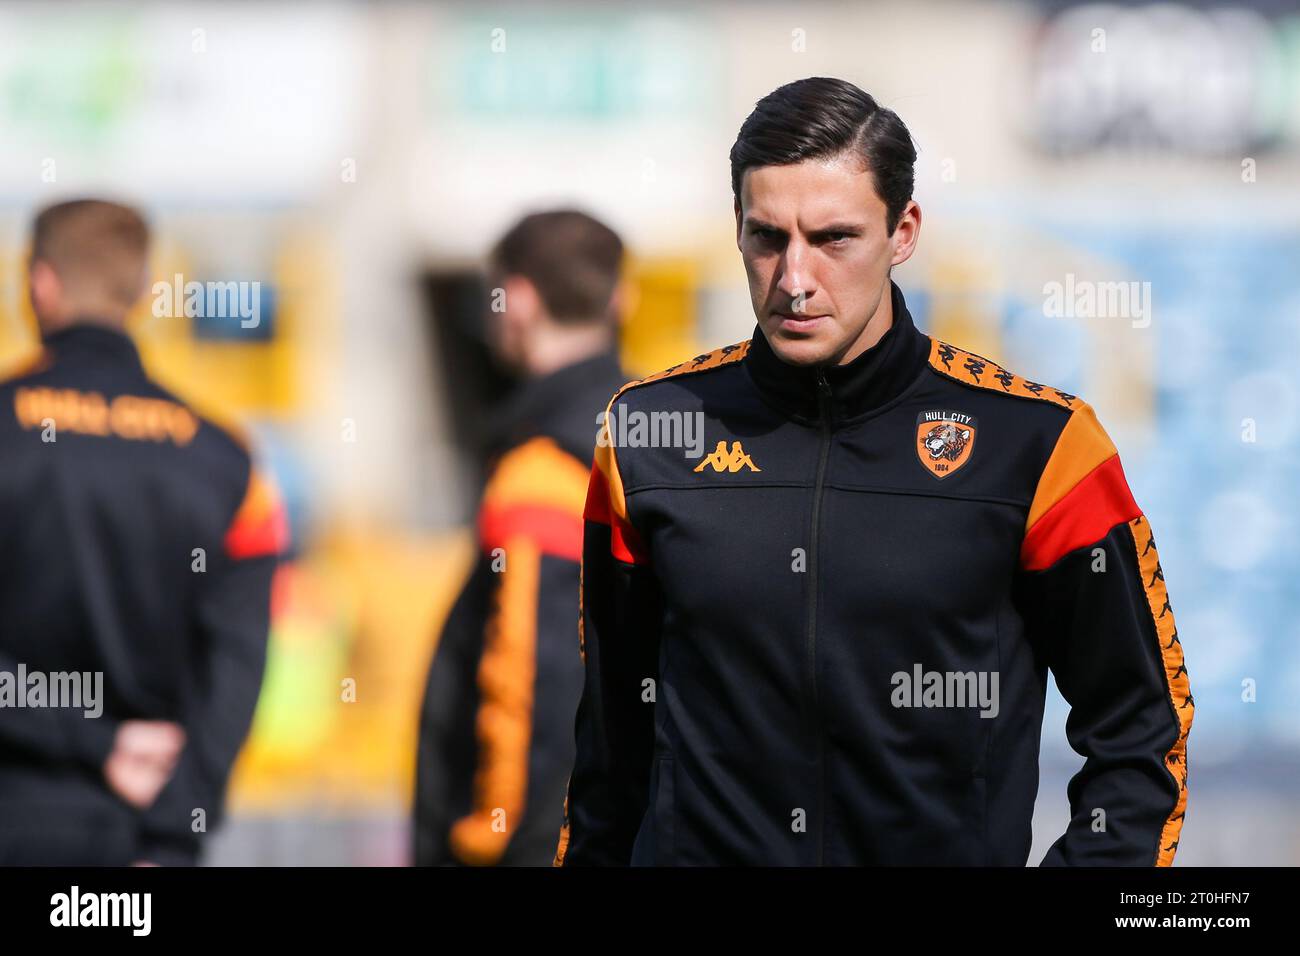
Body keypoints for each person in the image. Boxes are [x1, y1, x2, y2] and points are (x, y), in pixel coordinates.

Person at [555, 77, 1194, 866]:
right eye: (767, 238)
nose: (794, 278)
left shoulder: (1041, 446)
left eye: (833, 239)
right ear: (737, 230)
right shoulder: (648, 434)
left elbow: (1142, 736)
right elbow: (608, 756)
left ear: (904, 231)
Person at [0, 199, 288, 866]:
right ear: (144, 290)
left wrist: (86, 739)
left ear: (41, 282)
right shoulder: (227, 458)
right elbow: (238, 667)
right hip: (147, 831)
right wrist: (175, 823)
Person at [414, 209, 629, 865]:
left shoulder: (539, 470)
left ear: (521, 300)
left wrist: (488, 839)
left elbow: (530, 683)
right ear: (622, 298)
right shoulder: (663, 433)